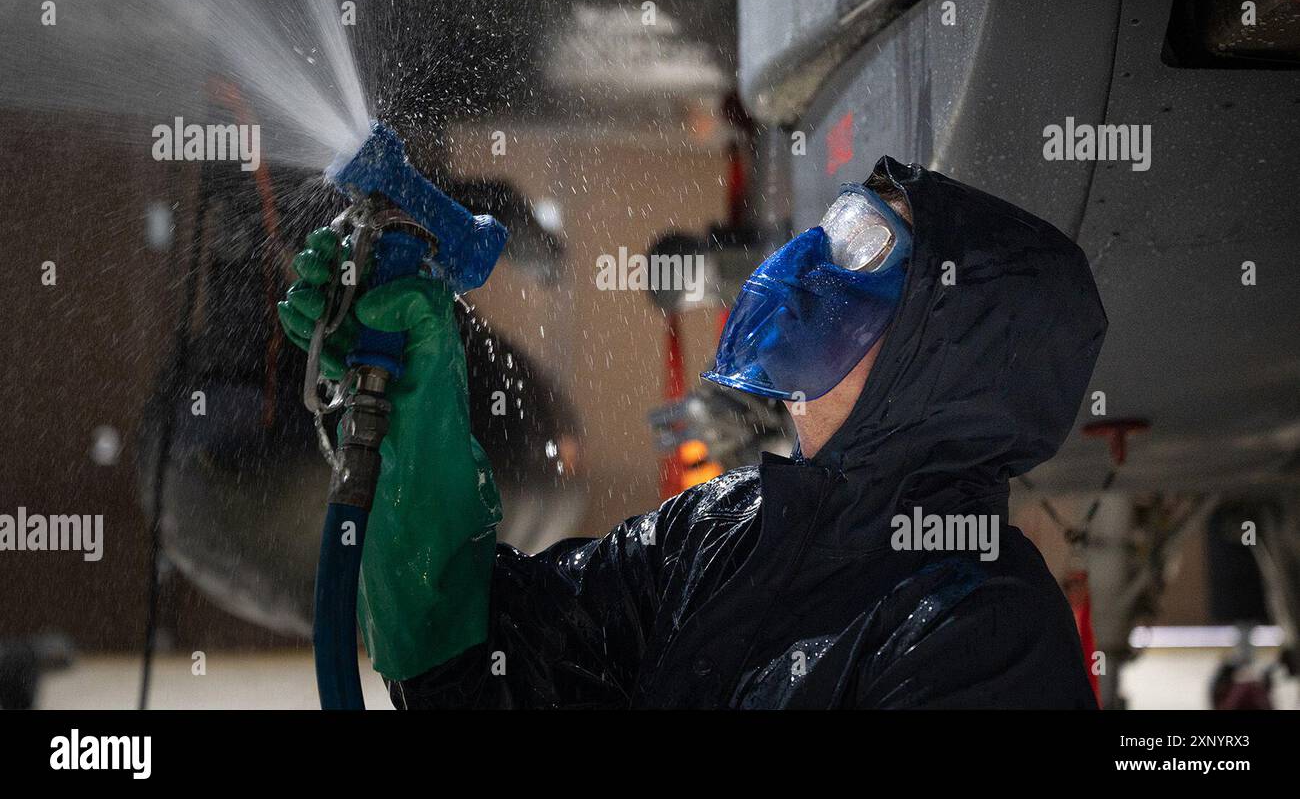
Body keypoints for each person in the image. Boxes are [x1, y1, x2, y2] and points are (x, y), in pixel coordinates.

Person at [278, 155, 1105, 708]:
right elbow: (484, 656)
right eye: (835, 234)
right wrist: (414, 412)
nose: (814, 277)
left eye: (867, 263)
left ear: (945, 362)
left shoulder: (987, 633)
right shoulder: (725, 530)